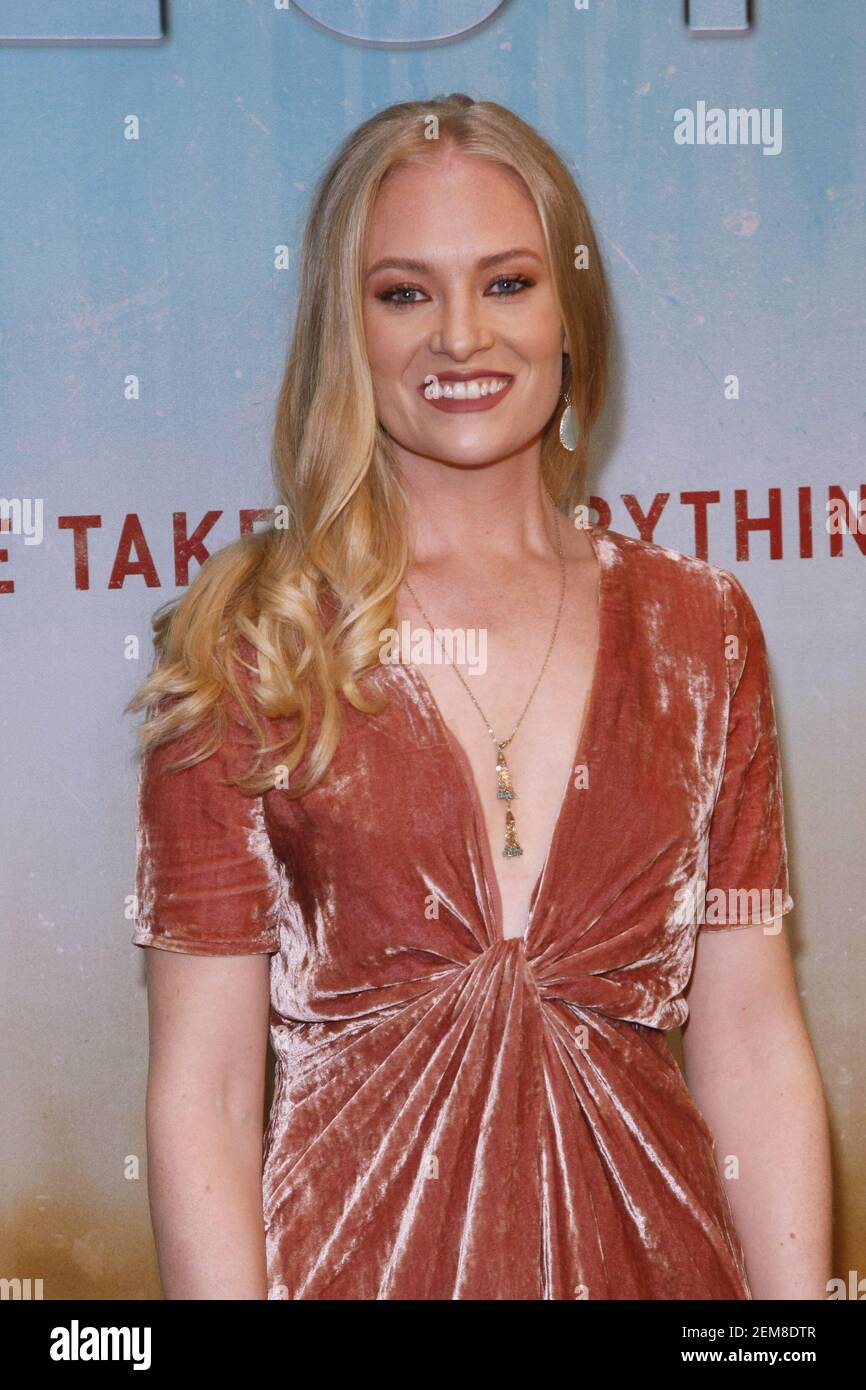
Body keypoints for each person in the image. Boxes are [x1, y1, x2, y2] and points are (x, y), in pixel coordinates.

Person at [126, 93, 832, 1300]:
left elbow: (753, 1047)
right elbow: (205, 1090)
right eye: (403, 292)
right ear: (344, 329)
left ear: (570, 315)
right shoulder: (249, 641)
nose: (460, 336)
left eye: (506, 283)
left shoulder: (698, 625)